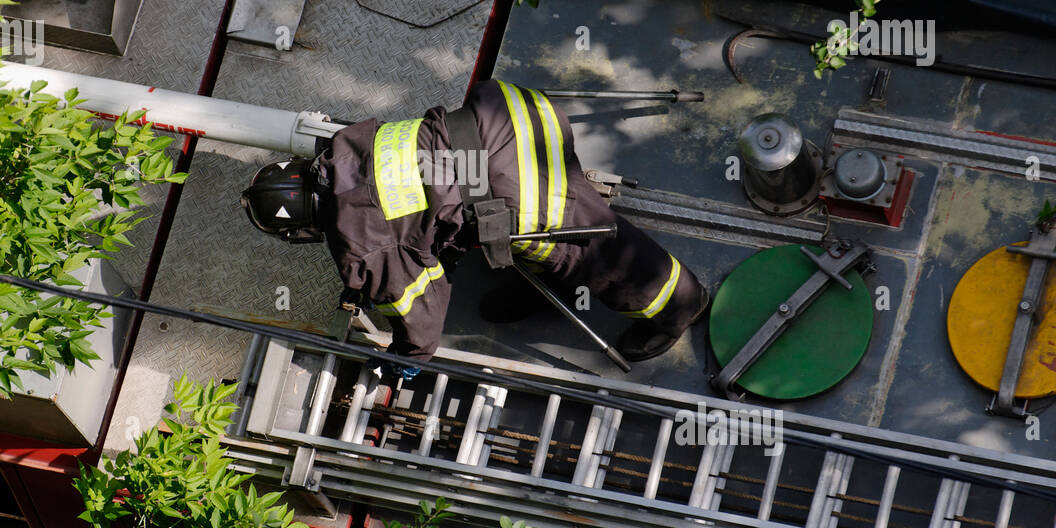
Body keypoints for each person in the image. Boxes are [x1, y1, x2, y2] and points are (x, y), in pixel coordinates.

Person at [240, 80, 709, 379]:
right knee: (491, 230)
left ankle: (682, 304)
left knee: (603, 257)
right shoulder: (347, 144)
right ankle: (549, 285)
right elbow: (420, 203)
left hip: (521, 186)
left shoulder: (361, 248)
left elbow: (420, 314)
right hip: (514, 111)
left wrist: (406, 360)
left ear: (300, 230)